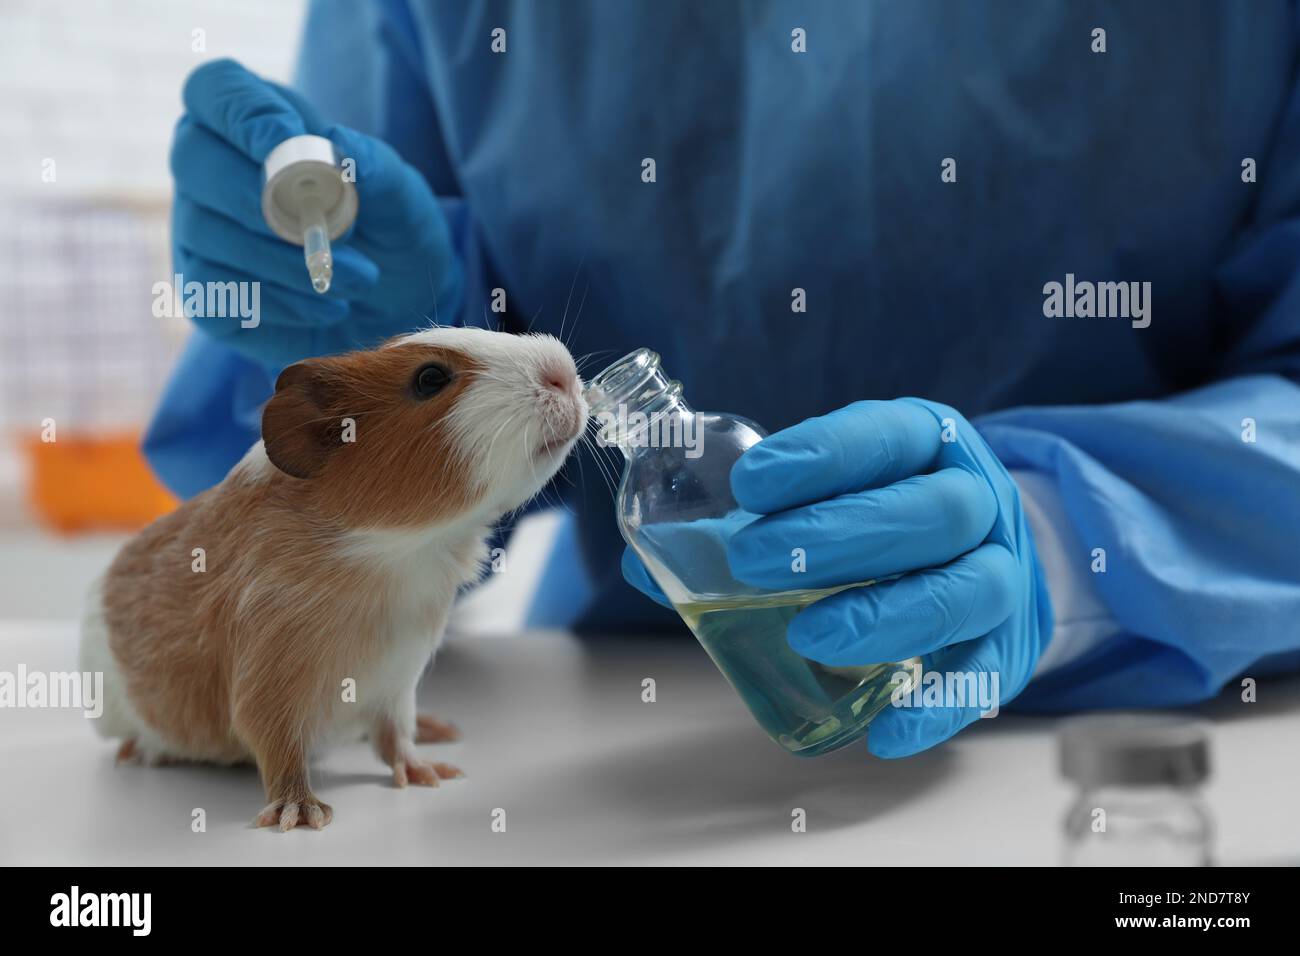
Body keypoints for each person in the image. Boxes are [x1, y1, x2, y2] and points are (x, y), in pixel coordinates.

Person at [147, 0, 1300, 759]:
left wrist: (1059, 541)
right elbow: (270, 540)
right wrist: (379, 326)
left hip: (1176, 719)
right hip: (628, 730)